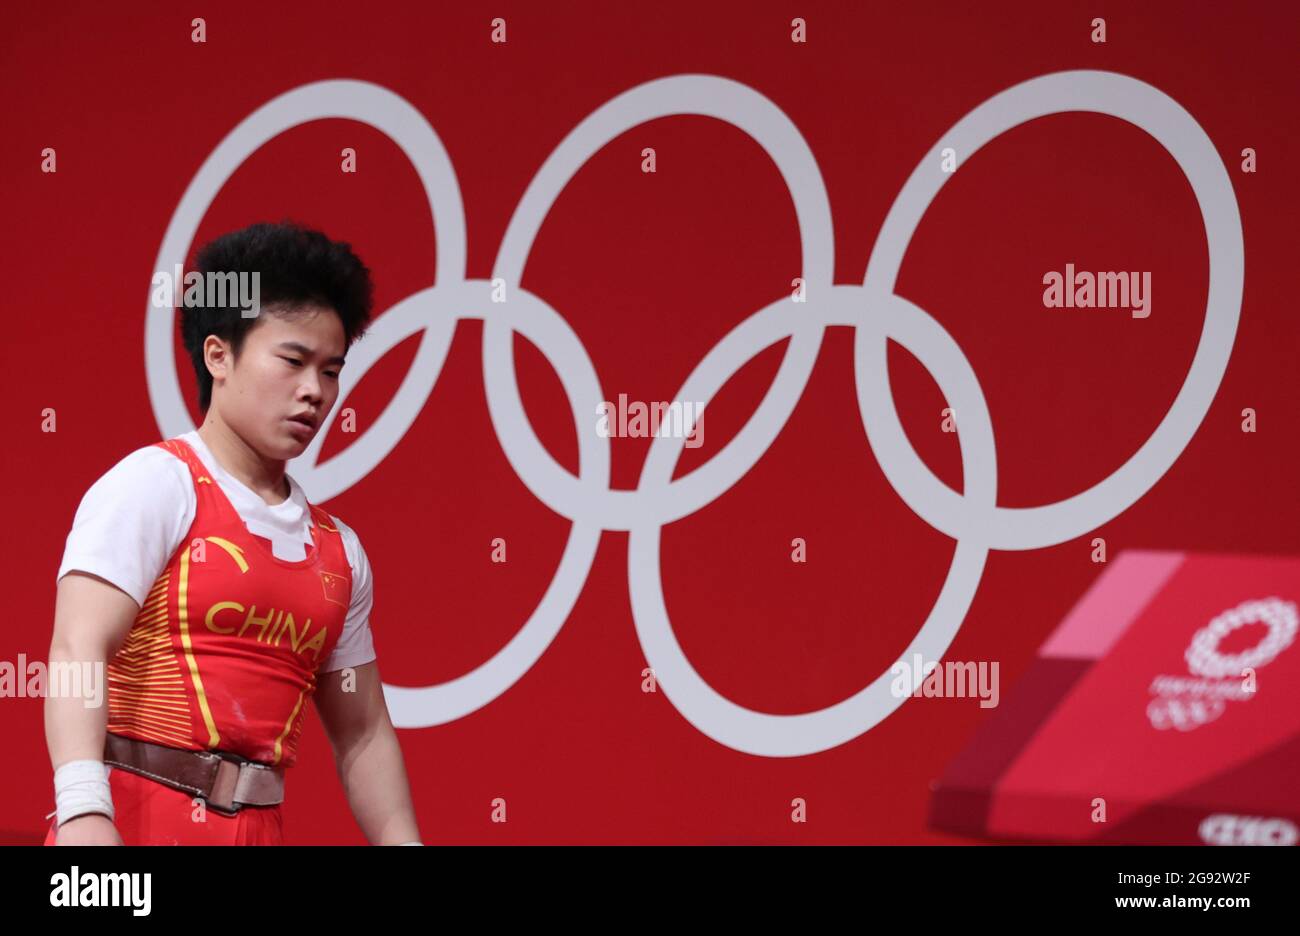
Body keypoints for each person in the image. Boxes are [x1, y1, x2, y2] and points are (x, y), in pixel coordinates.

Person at [43, 220, 421, 845]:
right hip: (127, 823)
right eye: (294, 361)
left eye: (331, 371)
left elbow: (363, 731)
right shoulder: (154, 486)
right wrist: (84, 810)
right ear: (219, 355)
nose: (314, 393)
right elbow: (76, 650)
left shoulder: (340, 554)